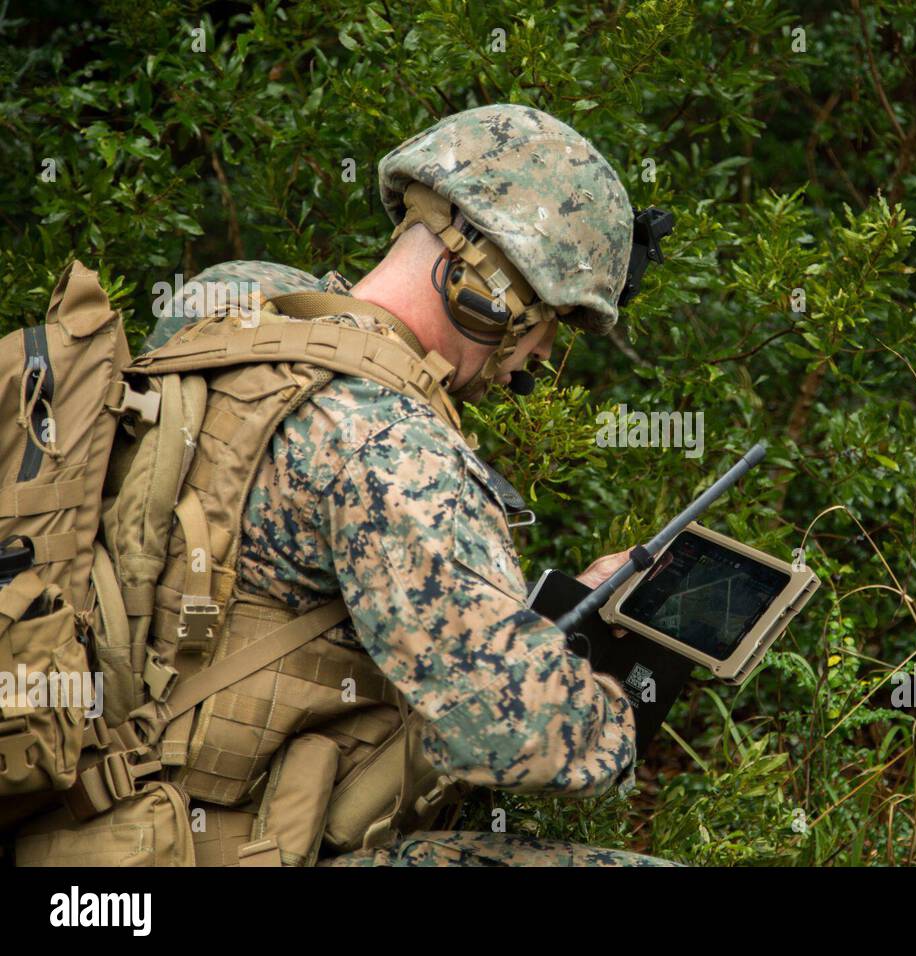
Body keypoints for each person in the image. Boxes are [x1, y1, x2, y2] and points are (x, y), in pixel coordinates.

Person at [141, 105, 671, 866]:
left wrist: (529, 616)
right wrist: (609, 694)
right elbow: (518, 736)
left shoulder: (225, 313)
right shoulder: (390, 443)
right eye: (548, 318)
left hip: (103, 816)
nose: (542, 355)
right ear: (487, 284)